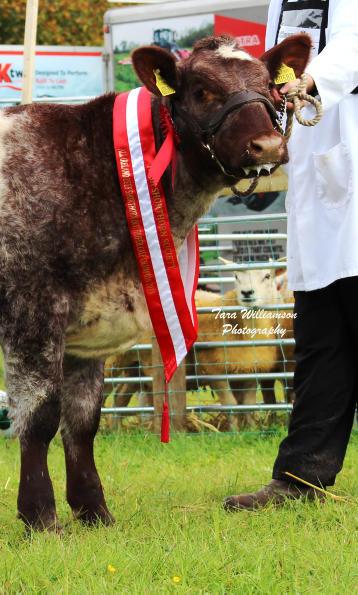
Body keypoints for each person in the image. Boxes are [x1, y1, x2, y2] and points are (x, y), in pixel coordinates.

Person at [225, 0, 358, 509]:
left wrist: (311, 82)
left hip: (347, 159)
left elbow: (349, 45)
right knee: (321, 343)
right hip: (318, 190)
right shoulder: (284, 2)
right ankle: (300, 479)